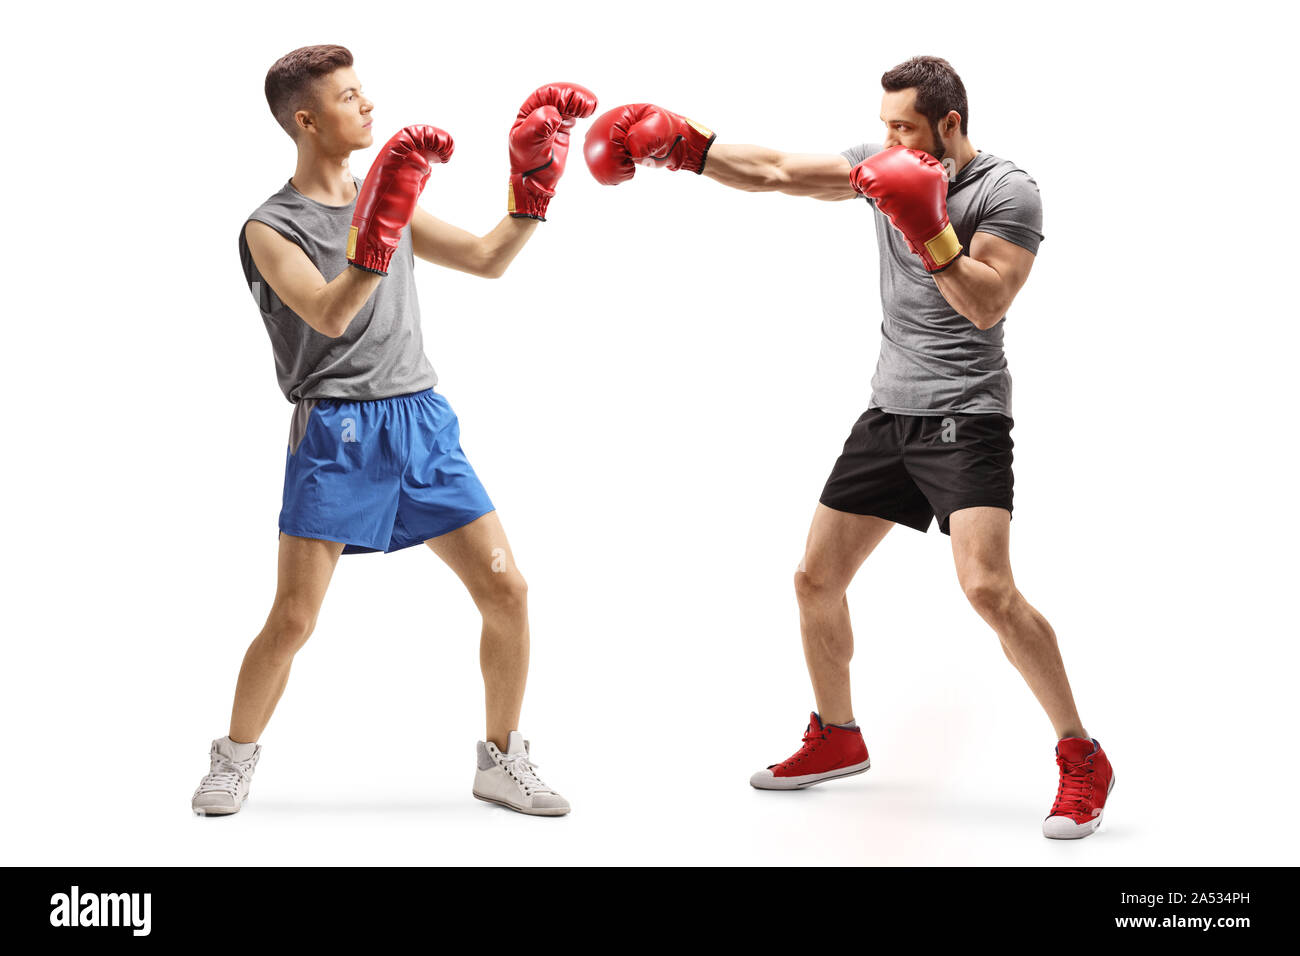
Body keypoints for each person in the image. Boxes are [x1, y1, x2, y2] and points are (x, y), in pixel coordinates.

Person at [584, 55, 1114, 839]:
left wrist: (930, 229)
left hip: (965, 418)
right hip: (887, 413)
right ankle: (837, 735)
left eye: (905, 127)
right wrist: (686, 148)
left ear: (952, 124)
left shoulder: (1009, 191)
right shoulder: (881, 165)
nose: (891, 141)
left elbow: (987, 303)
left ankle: (1082, 756)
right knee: (814, 578)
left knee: (987, 590)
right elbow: (772, 171)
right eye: (885, 127)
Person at [191, 43, 596, 818]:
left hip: (421, 421)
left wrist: (534, 190)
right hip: (337, 431)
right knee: (296, 617)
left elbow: (486, 259)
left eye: (365, 90)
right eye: (349, 97)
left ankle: (502, 759)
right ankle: (232, 759)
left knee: (507, 589)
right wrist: (379, 221)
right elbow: (329, 314)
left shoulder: (392, 194)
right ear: (306, 121)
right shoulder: (269, 227)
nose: (368, 104)